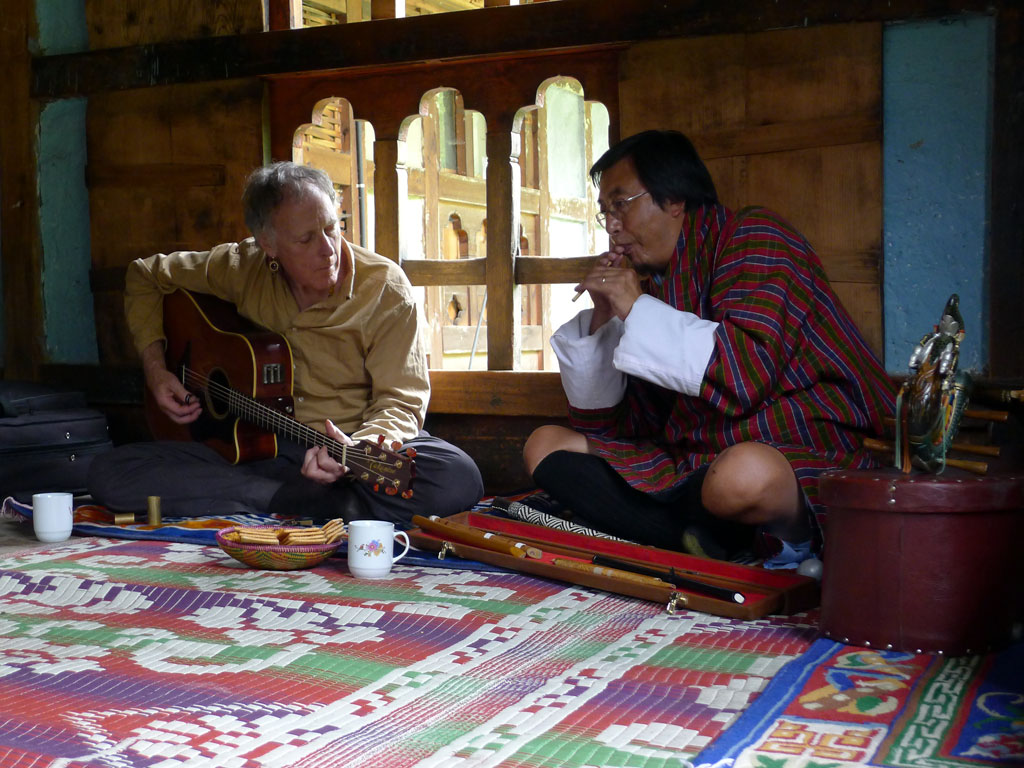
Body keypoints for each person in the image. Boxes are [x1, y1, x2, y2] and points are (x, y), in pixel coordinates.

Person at [522, 130, 896, 565]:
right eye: (605, 212)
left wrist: (636, 308)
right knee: (545, 445)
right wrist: (607, 316)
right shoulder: (653, 284)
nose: (612, 226)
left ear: (675, 199)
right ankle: (699, 537)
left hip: (789, 446)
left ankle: (712, 533)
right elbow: (617, 428)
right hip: (687, 462)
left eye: (621, 205)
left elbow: (746, 375)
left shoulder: (758, 237)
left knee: (739, 477)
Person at [88, 161, 483, 525]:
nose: (328, 249)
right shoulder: (242, 267)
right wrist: (157, 371)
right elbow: (145, 276)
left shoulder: (385, 289)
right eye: (306, 239)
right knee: (109, 473)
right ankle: (289, 500)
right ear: (268, 244)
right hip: (254, 451)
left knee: (456, 476)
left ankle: (303, 500)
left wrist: (353, 451)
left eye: (332, 227)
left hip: (349, 449)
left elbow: (401, 402)